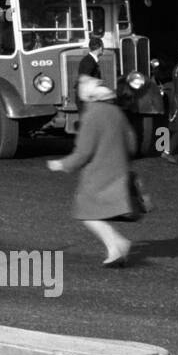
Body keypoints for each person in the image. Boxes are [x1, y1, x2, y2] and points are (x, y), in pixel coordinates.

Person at [47, 77, 138, 267]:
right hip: (119, 171)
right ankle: (115, 249)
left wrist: (62, 164)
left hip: (98, 173)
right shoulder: (116, 112)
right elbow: (132, 143)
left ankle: (118, 244)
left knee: (87, 212)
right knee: (95, 213)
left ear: (87, 97)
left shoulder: (91, 115)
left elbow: (83, 152)